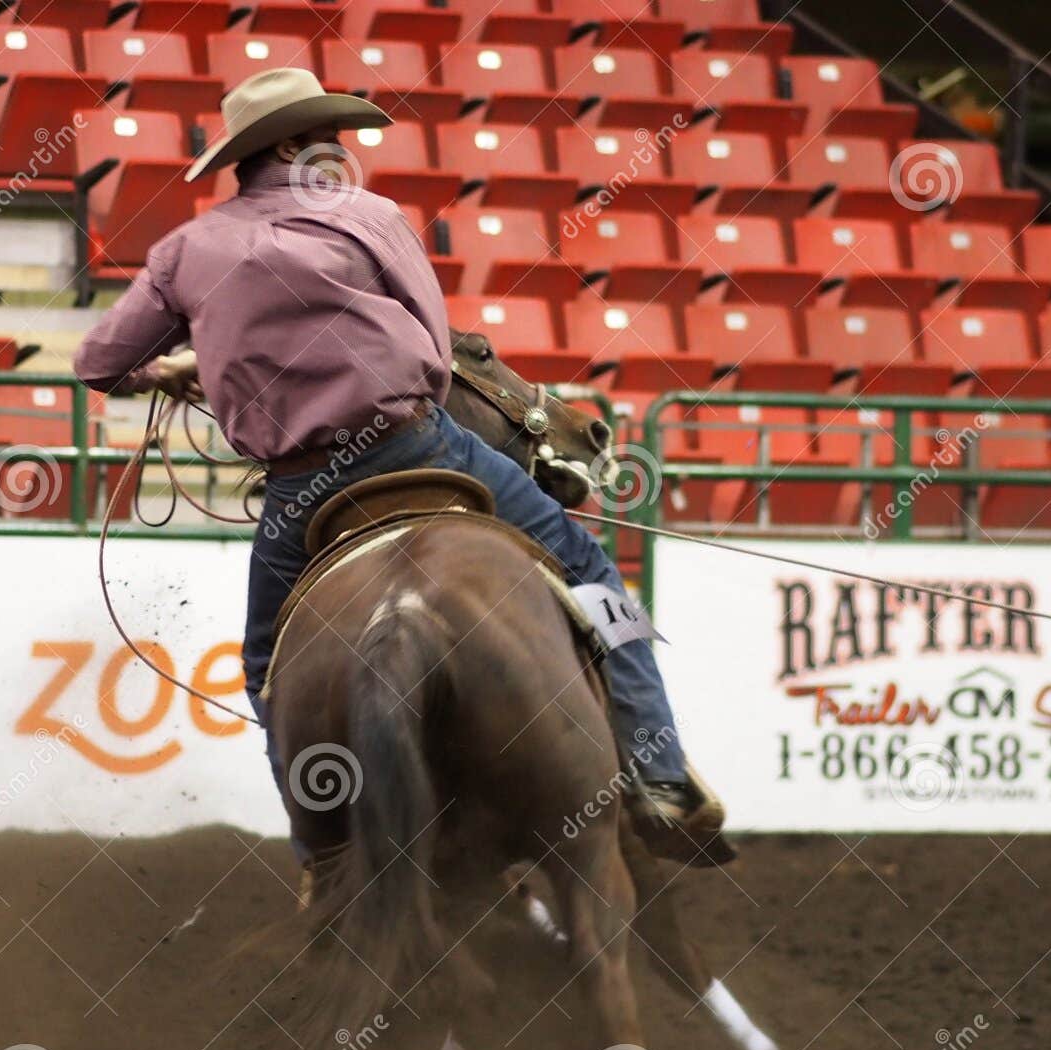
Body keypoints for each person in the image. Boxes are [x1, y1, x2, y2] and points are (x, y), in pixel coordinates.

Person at [73, 66, 729, 864]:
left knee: (268, 665)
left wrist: (169, 368)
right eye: (327, 138)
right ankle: (658, 776)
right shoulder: (371, 216)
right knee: (595, 578)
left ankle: (326, 849)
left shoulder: (186, 250)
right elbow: (430, 340)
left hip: (300, 486)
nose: (341, 151)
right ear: (290, 144)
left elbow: (98, 363)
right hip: (417, 445)